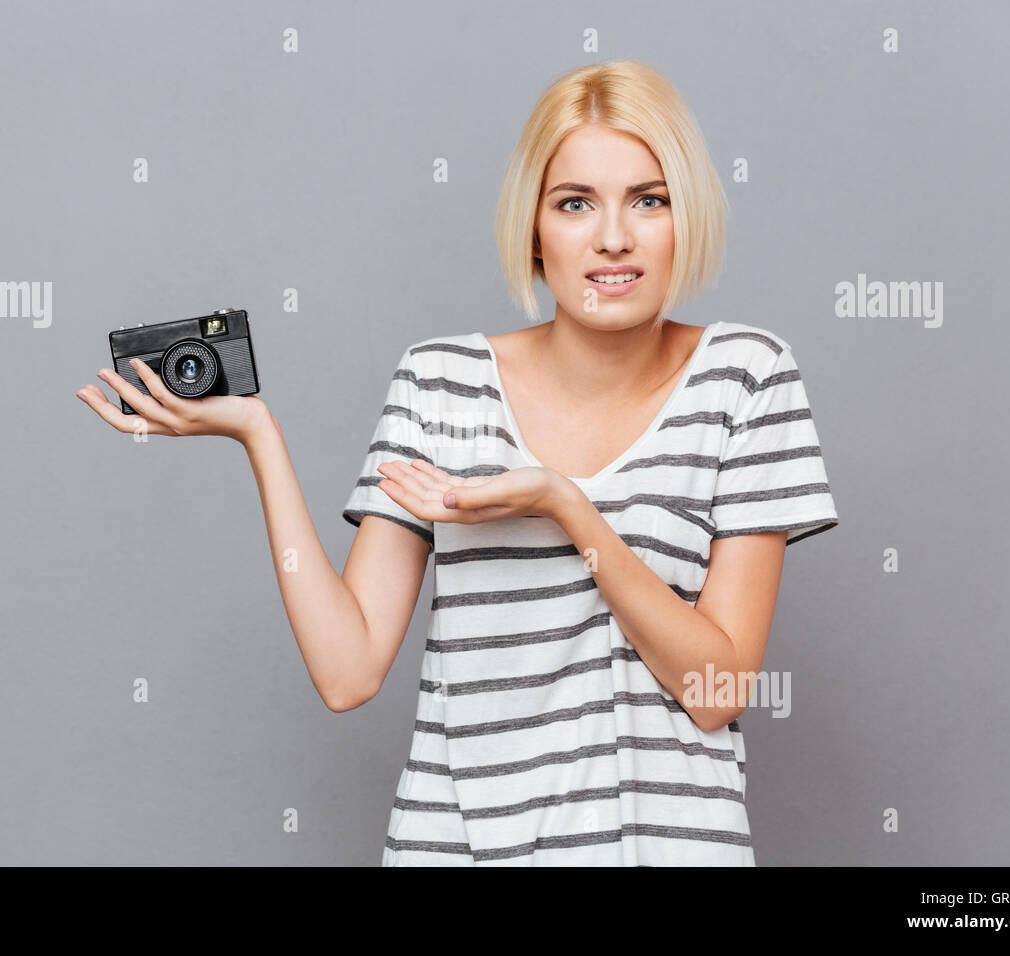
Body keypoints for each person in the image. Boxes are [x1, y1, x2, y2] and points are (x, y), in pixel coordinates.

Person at [76, 59, 838, 866]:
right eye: (575, 203)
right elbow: (348, 672)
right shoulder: (440, 382)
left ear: (687, 215)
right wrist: (259, 439)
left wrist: (567, 506)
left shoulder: (748, 376)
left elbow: (715, 693)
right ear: (535, 230)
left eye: (648, 200)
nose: (613, 236)